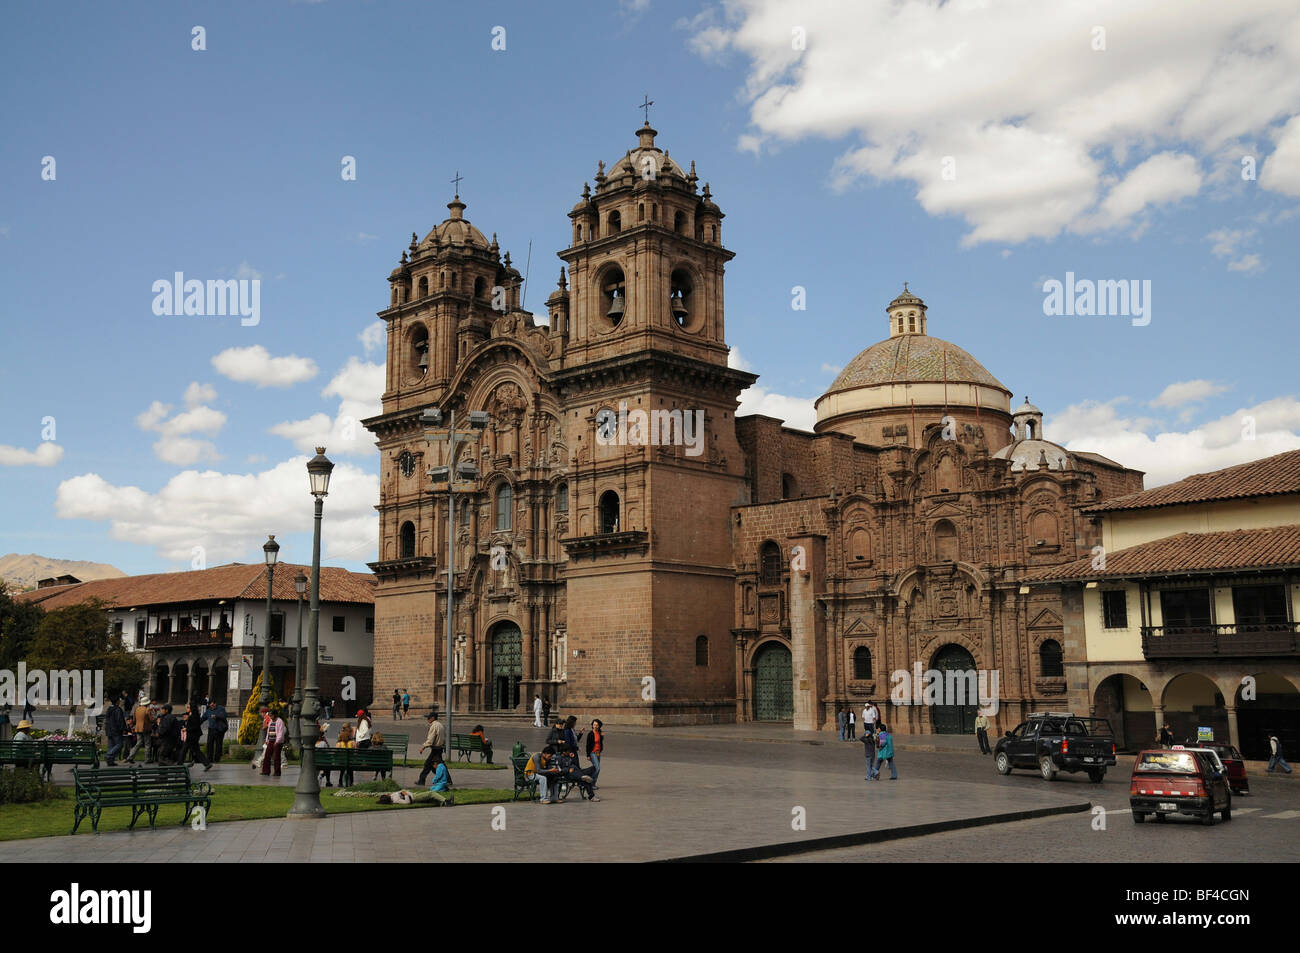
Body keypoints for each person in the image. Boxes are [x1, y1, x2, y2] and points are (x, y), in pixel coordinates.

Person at [417, 710, 446, 785]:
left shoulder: (434, 726)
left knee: (428, 764)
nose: (428, 719)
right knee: (437, 765)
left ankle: (421, 781)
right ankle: (446, 779)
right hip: (440, 748)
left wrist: (423, 747)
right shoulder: (440, 725)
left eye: (429, 718)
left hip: (436, 749)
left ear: (433, 718)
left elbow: (431, 739)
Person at [182, 702, 213, 771]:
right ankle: (204, 763)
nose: (187, 708)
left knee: (185, 750)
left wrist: (186, 729)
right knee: (195, 750)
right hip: (192, 735)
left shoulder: (194, 715)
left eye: (188, 707)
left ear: (191, 708)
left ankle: (179, 764)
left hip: (193, 736)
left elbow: (195, 726)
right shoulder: (191, 714)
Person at [261, 709, 287, 776]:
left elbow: (280, 733)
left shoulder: (280, 721)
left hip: (277, 742)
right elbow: (268, 732)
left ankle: (277, 772)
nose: (270, 717)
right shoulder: (270, 721)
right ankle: (266, 771)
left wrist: (277, 741)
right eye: (269, 715)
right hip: (270, 741)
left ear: (275, 715)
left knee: (276, 757)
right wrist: (267, 740)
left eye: (271, 715)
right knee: (267, 756)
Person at [103, 695, 127, 766]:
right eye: (119, 700)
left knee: (111, 746)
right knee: (119, 744)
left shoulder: (109, 709)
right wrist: (123, 728)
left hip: (109, 730)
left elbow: (106, 720)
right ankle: (108, 755)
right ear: (117, 701)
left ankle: (110, 761)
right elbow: (120, 721)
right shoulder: (118, 709)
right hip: (116, 730)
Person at [585, 719, 604, 788]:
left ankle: (592, 783)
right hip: (592, 753)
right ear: (592, 725)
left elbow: (600, 742)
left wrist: (602, 736)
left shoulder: (599, 733)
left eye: (597, 725)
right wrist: (588, 755)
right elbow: (588, 745)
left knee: (595, 768)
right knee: (597, 768)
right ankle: (591, 783)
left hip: (598, 753)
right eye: (594, 725)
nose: (595, 726)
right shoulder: (590, 734)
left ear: (599, 726)